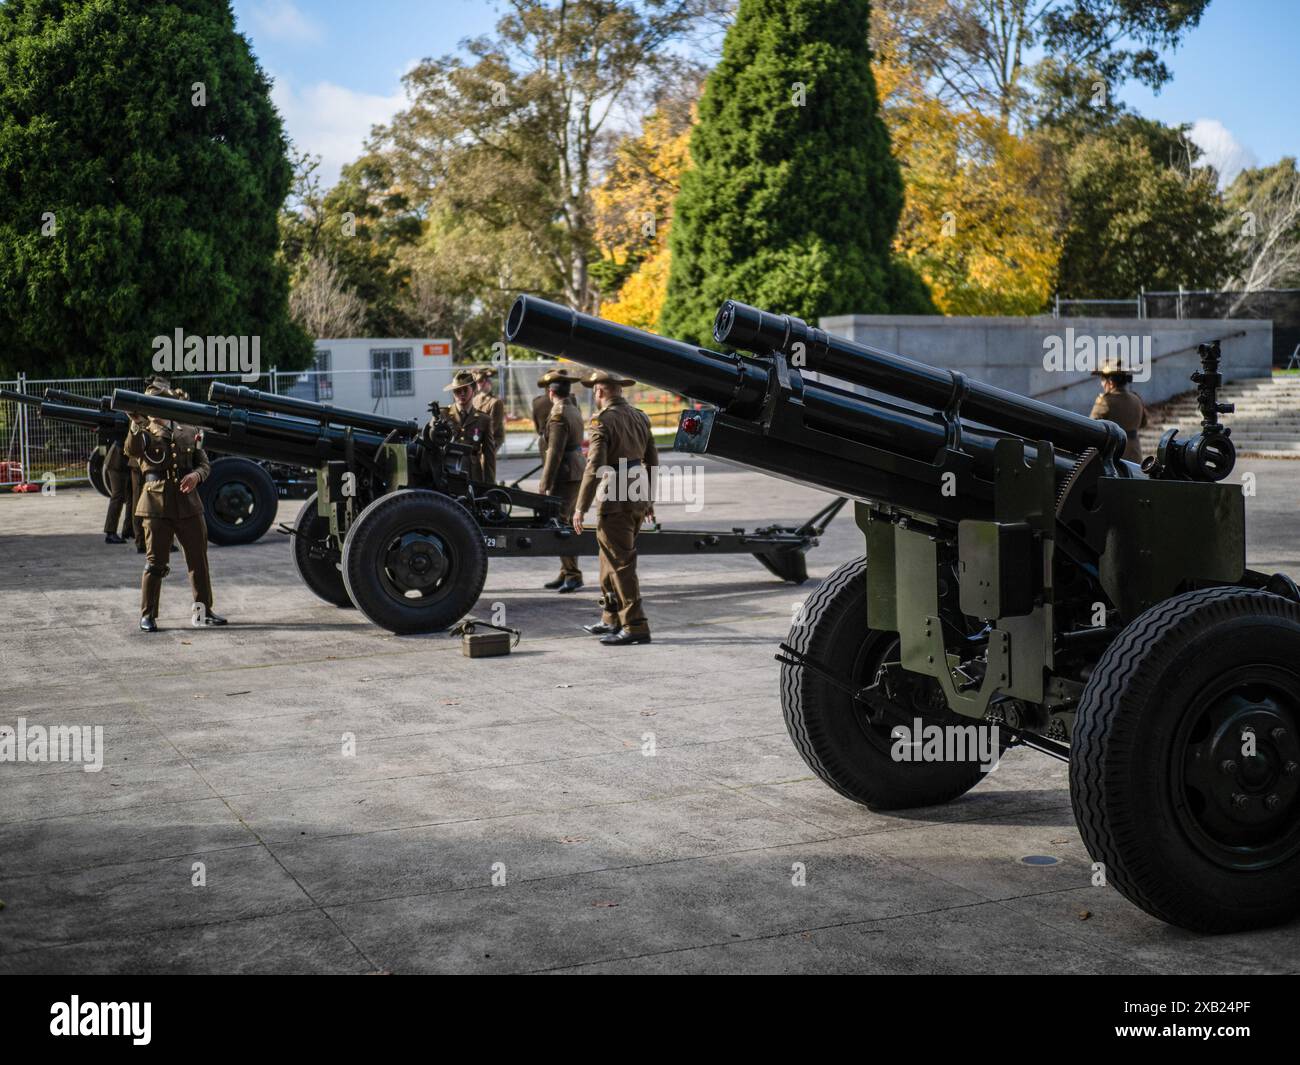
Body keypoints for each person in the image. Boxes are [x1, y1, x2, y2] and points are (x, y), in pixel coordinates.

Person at [125, 385, 226, 633]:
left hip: (188, 504)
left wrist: (196, 476)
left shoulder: (188, 430)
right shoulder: (144, 431)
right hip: (156, 506)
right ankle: (147, 615)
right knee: (155, 563)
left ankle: (203, 612)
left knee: (198, 560)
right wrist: (135, 424)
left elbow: (204, 464)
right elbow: (133, 450)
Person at [573, 370, 656, 646]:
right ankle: (611, 616)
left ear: (600, 391)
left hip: (616, 496)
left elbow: (594, 466)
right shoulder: (640, 416)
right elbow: (652, 461)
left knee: (620, 562)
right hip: (638, 493)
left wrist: (579, 507)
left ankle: (636, 625)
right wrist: (650, 500)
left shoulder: (603, 421)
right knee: (607, 558)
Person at [538, 372, 585, 594]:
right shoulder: (573, 408)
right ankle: (566, 571)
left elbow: (554, 452)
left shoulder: (557, 414)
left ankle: (573, 575)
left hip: (564, 473)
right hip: (575, 469)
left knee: (561, 523)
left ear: (551, 392)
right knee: (564, 520)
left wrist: (545, 483)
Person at [1090, 360, 1149, 463]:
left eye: (1103, 380)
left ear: (1111, 383)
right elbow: (1143, 423)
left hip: (1114, 455)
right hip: (1135, 453)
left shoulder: (1105, 401)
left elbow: (1091, 428)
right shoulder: (1136, 399)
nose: (1102, 384)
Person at [443, 370, 495, 482]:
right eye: (457, 390)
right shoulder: (444, 415)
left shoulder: (483, 419)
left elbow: (489, 454)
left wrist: (490, 483)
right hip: (449, 471)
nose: (461, 393)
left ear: (474, 391)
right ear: (453, 393)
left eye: (465, 389)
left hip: (473, 473)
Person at [471, 369, 507, 484]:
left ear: (488, 382)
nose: (478, 384)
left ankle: (490, 487)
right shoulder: (475, 399)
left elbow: (493, 427)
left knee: (485, 462)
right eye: (477, 382)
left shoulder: (495, 402)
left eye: (481, 381)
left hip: (492, 438)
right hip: (477, 436)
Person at [101, 437, 133, 544]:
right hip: (117, 461)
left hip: (125, 461)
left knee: (131, 496)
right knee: (118, 496)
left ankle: (128, 529)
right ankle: (110, 532)